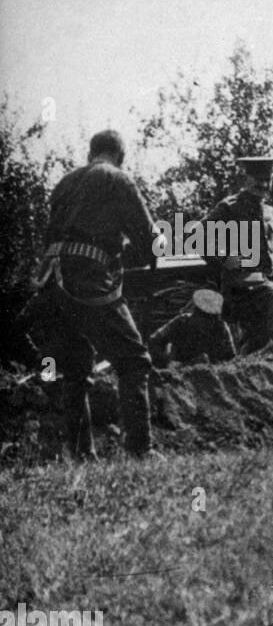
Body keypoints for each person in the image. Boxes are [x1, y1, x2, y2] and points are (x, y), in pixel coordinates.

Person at [37, 129, 157, 459]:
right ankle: (139, 451)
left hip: (54, 284)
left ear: (91, 153)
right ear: (120, 156)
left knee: (76, 370)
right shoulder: (118, 179)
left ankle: (79, 454)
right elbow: (148, 243)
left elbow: (50, 237)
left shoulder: (64, 183)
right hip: (91, 282)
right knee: (134, 362)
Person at [202, 155, 273, 352]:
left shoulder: (270, 212)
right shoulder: (230, 207)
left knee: (259, 339)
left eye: (267, 180)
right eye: (258, 180)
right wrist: (226, 259)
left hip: (268, 283)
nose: (263, 185)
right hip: (239, 288)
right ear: (246, 179)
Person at [148, 289, 236, 367]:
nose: (209, 322)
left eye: (212, 318)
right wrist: (166, 362)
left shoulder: (220, 328)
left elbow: (230, 357)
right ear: (197, 313)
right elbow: (154, 340)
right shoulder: (181, 322)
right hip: (179, 370)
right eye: (205, 317)